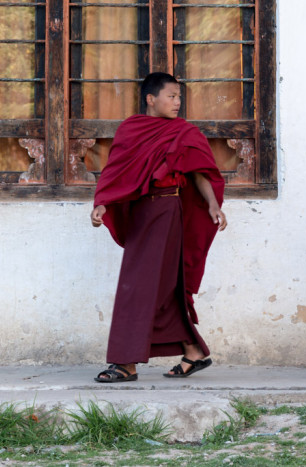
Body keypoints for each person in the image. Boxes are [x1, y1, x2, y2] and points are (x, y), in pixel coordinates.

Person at [89, 72, 227, 383]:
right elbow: (117, 172)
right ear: (151, 99)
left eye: (179, 97)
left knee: (138, 285)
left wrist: (213, 205)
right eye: (171, 96)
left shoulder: (185, 132)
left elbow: (200, 174)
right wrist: (102, 203)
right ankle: (193, 351)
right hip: (141, 212)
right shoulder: (131, 129)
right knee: (160, 285)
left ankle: (126, 363)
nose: (177, 102)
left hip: (167, 210)